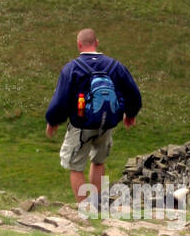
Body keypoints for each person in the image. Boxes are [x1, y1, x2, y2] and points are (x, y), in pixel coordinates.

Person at [46, 29, 142, 205]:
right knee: (98, 161)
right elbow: (134, 93)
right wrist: (131, 114)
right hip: (107, 125)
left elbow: (60, 99)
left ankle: (85, 210)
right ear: (97, 43)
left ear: (79, 45)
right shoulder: (115, 66)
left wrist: (52, 121)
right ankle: (98, 206)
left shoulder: (72, 68)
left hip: (81, 125)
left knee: (75, 166)